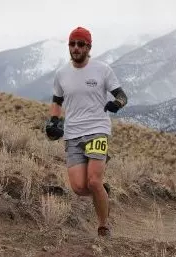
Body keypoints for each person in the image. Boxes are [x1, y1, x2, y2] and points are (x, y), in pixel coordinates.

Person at [45, 26, 128, 237]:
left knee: (93, 181)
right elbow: (56, 101)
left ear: (88, 47)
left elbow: (122, 95)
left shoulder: (103, 70)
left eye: (80, 44)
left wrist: (116, 104)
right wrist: (54, 121)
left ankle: (103, 226)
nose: (76, 48)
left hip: (98, 130)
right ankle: (103, 193)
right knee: (79, 187)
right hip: (72, 134)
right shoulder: (61, 74)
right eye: (72, 44)